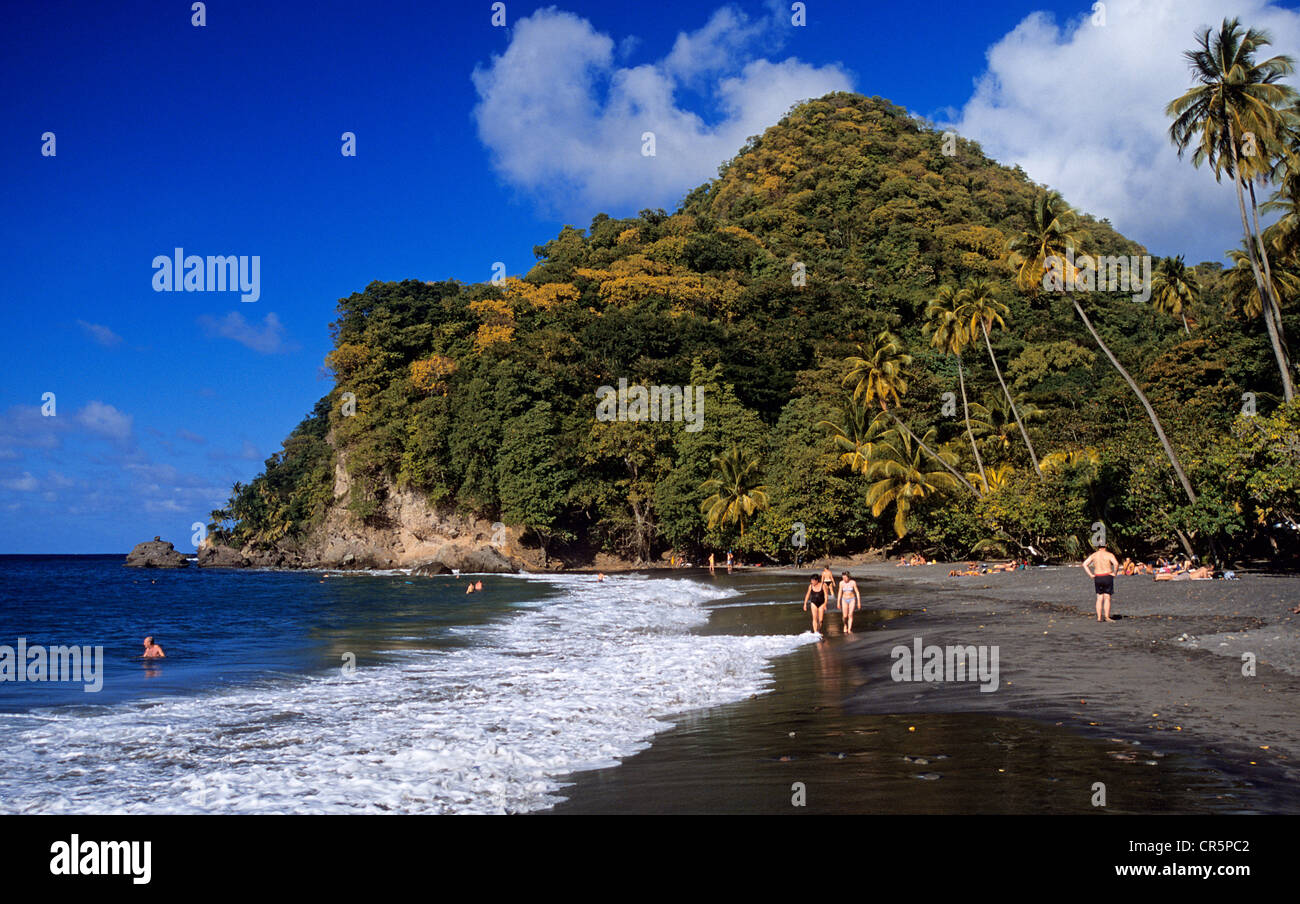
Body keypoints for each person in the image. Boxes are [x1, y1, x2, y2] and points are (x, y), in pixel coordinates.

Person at [1082, 543, 1119, 622]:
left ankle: (1099, 617)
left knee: (1099, 598)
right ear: (1106, 545)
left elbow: (1084, 564)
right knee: (1107, 597)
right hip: (1107, 576)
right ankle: (1107, 617)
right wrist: (1115, 573)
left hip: (1098, 576)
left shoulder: (1094, 555)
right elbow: (1116, 564)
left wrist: (1091, 575)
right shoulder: (1109, 555)